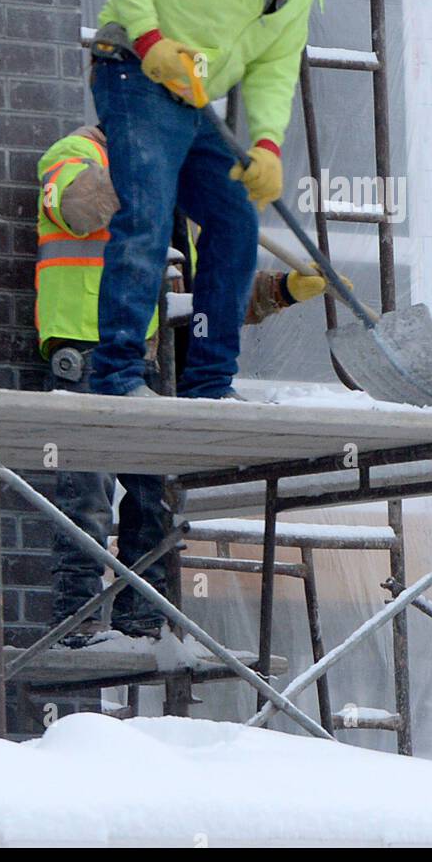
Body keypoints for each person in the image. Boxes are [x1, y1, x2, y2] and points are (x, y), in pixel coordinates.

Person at [86, 0, 396, 401]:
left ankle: (209, 381)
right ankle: (116, 376)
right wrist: (151, 38)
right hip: (135, 70)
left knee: (234, 224)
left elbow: (275, 67)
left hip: (192, 98)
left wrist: (269, 145)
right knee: (148, 215)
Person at [35, 122, 331, 641]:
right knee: (87, 493)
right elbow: (77, 209)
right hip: (85, 353)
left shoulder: (172, 205)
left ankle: (142, 622)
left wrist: (283, 290)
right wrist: (146, 172)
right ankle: (77, 627)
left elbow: (201, 301)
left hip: (149, 363)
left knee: (155, 498)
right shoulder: (76, 152)